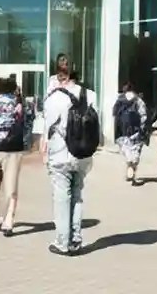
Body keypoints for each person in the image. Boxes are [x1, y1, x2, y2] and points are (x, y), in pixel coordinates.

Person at [41, 54, 93, 255]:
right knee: (77, 195)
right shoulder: (90, 95)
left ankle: (63, 241)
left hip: (61, 154)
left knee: (62, 197)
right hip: (83, 154)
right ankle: (76, 238)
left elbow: (48, 127)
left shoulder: (53, 98)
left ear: (57, 72)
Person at [0, 75, 25, 236]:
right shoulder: (19, 103)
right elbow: (25, 123)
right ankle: (9, 220)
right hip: (13, 148)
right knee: (11, 187)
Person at [112, 83, 148, 186]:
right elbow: (143, 115)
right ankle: (132, 169)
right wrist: (143, 128)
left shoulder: (119, 100)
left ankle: (129, 169)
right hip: (136, 130)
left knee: (127, 150)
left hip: (122, 131)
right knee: (135, 150)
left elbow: (114, 113)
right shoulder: (138, 100)